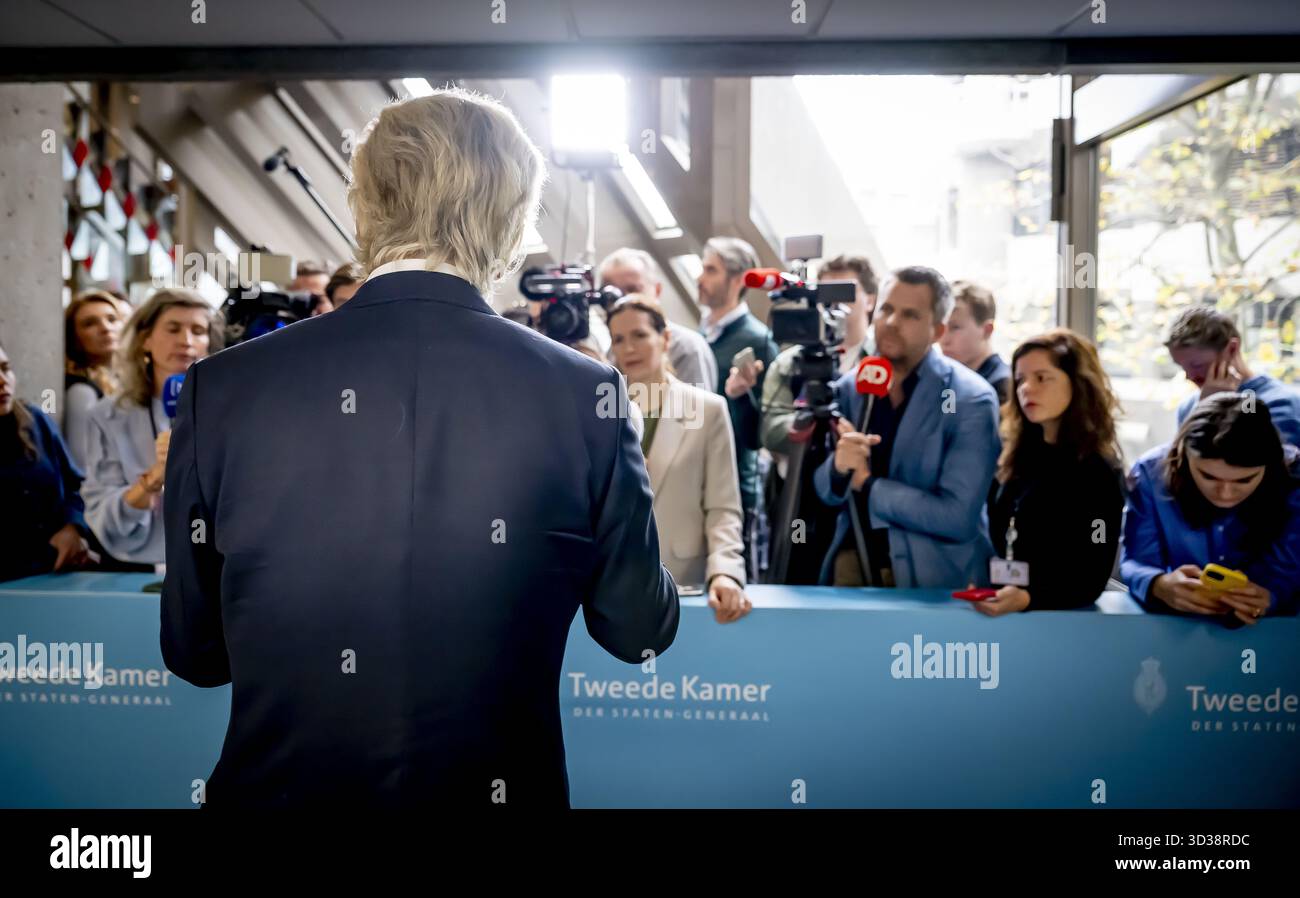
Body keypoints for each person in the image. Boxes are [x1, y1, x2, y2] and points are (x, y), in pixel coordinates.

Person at [160, 86, 678, 808]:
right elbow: (638, 631)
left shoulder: (222, 387)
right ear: (510, 212)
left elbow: (194, 654)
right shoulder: (584, 391)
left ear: (364, 201)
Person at [814, 266, 1000, 588]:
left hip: (936, 583)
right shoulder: (850, 387)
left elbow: (957, 517)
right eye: (886, 309)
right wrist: (838, 468)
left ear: (938, 331)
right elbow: (825, 492)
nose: (891, 323)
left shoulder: (971, 399)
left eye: (910, 315)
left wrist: (868, 485)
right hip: (852, 571)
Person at [607, 295, 749, 623]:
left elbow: (723, 508)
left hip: (686, 586)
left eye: (639, 335)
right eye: (618, 339)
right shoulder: (600, 413)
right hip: (612, 587)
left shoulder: (709, 409)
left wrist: (725, 573)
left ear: (666, 338)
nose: (628, 348)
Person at [975, 330, 1125, 615]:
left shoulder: (1099, 472)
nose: (1026, 389)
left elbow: (1092, 577)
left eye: (1042, 378)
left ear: (1077, 384)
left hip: (1058, 624)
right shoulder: (1016, 456)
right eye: (1020, 379)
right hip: (1006, 609)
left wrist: (1029, 598)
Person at [1121, 392, 1300, 623]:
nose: (1225, 493)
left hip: (1280, 634)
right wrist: (1158, 584)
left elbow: (1289, 570)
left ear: (1270, 466)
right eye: (1208, 476)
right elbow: (1137, 560)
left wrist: (1271, 595)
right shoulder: (1150, 471)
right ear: (1183, 455)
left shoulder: (1294, 476)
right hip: (1176, 627)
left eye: (1244, 480)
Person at [760, 253, 877, 585]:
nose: (832, 304)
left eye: (843, 293)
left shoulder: (881, 364)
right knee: (797, 572)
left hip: (857, 503)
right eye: (823, 294)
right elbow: (770, 430)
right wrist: (812, 427)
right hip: (798, 499)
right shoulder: (790, 363)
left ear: (869, 299)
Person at [81, 289, 221, 567]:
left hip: (215, 567)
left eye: (198, 330)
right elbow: (103, 519)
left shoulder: (232, 411)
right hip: (137, 571)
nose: (186, 340)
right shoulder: (106, 415)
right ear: (145, 339)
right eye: (173, 329)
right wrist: (154, 479)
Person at [698, 236, 779, 571]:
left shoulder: (758, 341)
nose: (700, 279)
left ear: (737, 279)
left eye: (710, 270)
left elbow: (758, 429)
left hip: (734, 487)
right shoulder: (701, 336)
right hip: (697, 484)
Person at [0, 339, 96, 582]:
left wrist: (73, 528)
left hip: (56, 574)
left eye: (5, 368)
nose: (3, 381)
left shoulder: (35, 420)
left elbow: (77, 485)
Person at [1165, 305, 1300, 446]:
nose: (1189, 376)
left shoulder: (1281, 404)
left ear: (1232, 349)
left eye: (1197, 365)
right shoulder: (1189, 407)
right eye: (1182, 367)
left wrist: (1214, 410)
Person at [597, 247, 717, 392]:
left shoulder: (687, 348)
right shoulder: (611, 353)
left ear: (657, 290)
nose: (624, 300)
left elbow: (693, 411)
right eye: (613, 294)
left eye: (633, 289)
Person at [62, 290, 124, 471]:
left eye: (112, 319)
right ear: (74, 337)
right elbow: (83, 466)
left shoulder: (131, 378)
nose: (105, 328)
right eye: (90, 323)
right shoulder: (82, 391)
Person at [939, 280, 1011, 404]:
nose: (943, 339)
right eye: (941, 328)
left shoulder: (1003, 384)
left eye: (955, 327)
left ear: (987, 330)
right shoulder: (948, 381)